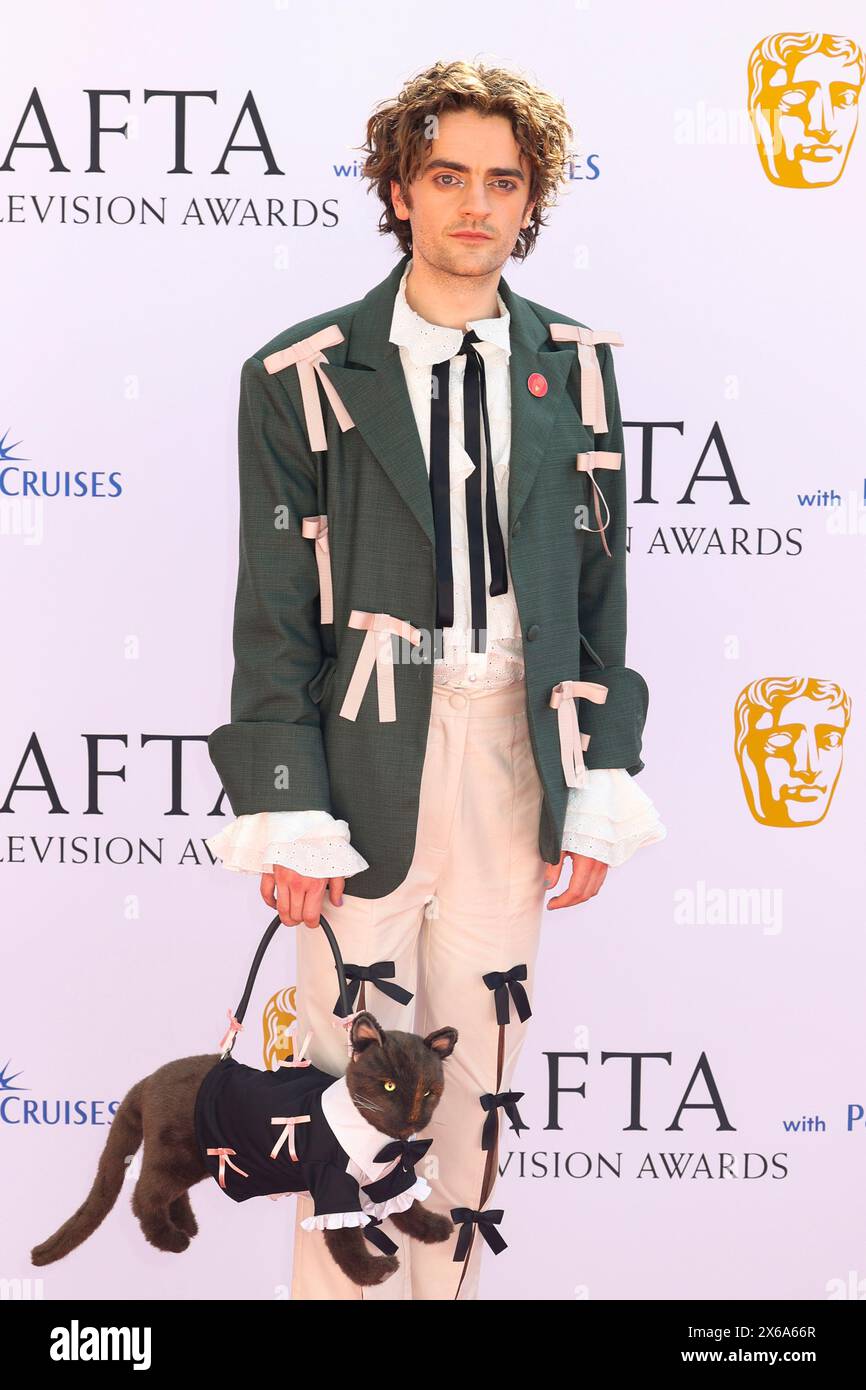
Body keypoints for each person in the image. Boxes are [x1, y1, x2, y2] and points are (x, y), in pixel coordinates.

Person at [206, 59, 666, 1300]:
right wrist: (287, 806)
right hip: (359, 765)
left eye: (502, 181)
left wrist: (597, 779)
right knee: (345, 1119)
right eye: (447, 175)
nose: (475, 202)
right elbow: (270, 610)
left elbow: (601, 588)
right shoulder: (297, 372)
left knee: (471, 1094)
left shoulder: (575, 364)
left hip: (513, 757)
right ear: (399, 191)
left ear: (531, 204)